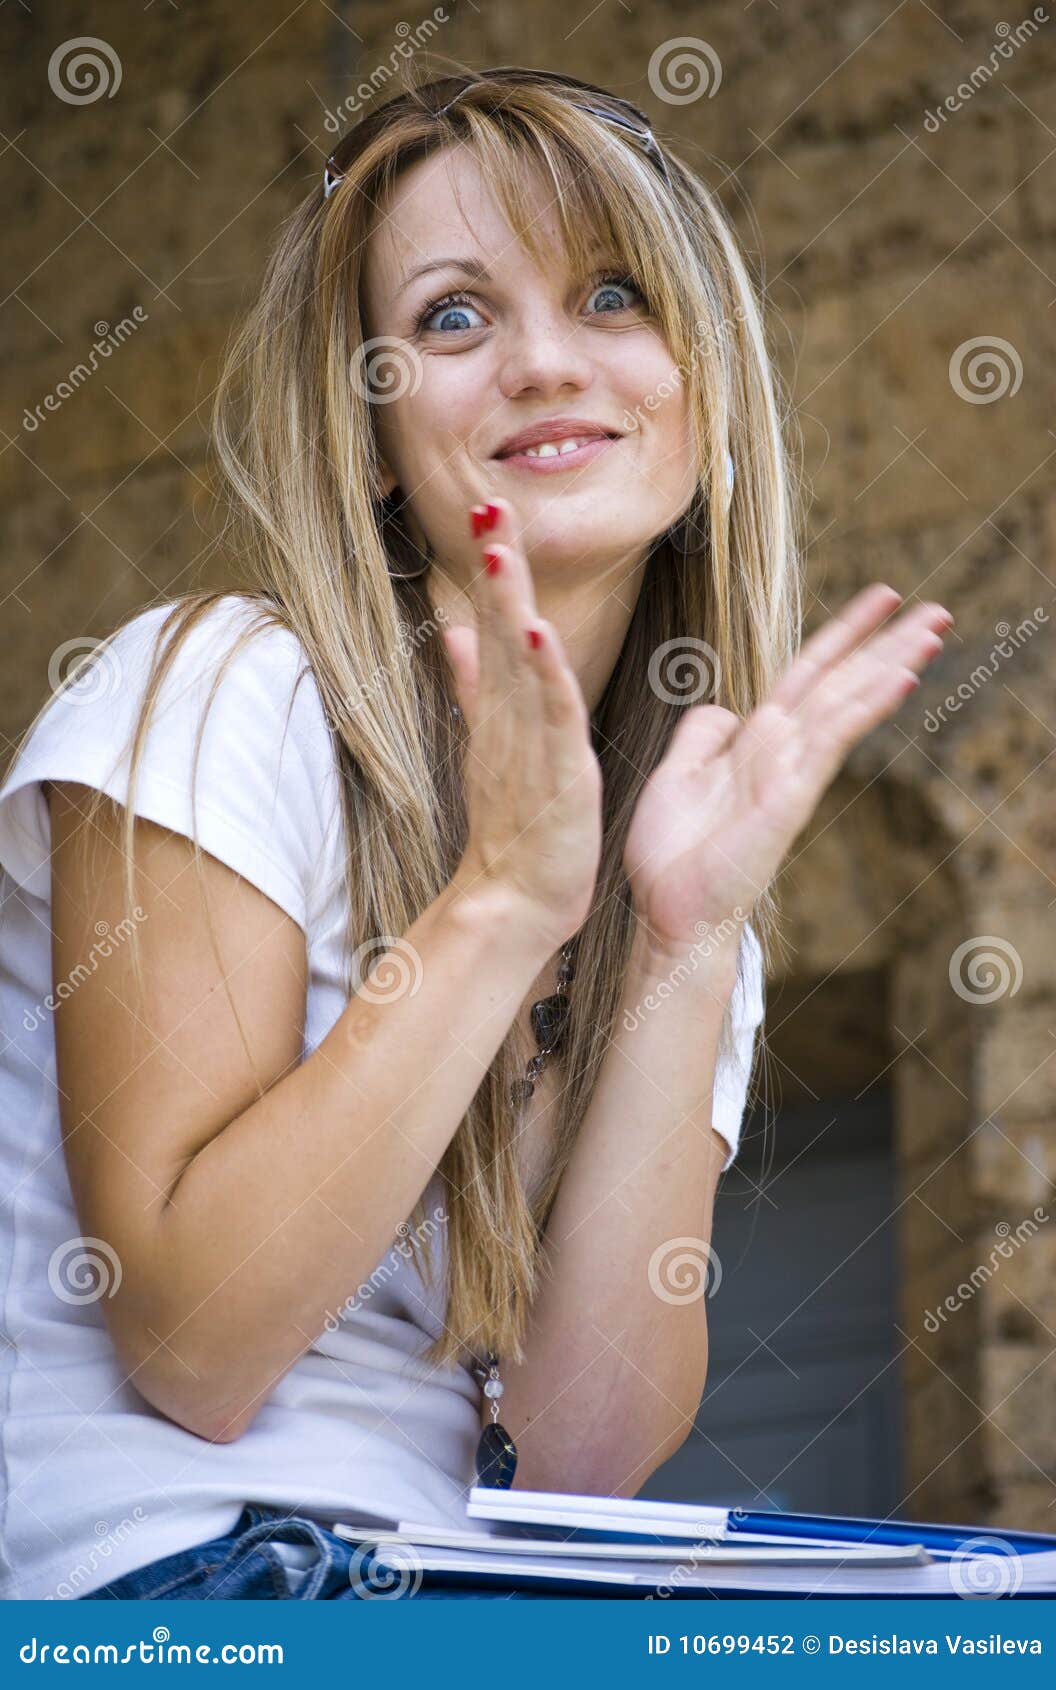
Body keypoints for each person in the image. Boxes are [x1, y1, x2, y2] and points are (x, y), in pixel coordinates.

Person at [0, 61, 952, 1602]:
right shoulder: (227, 692)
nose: (541, 362)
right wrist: (503, 903)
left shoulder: (685, 868)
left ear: (700, 399)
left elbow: (577, 1458)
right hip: (176, 1580)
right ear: (374, 436)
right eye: (452, 314)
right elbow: (196, 1346)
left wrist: (688, 942)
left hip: (455, 1593)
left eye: (613, 297)